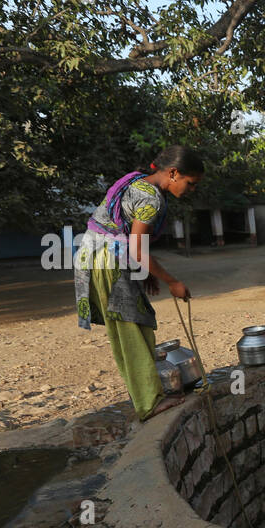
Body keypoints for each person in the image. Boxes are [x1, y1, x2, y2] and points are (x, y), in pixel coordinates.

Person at [74, 144, 201, 421]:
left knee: (132, 327)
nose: (190, 191)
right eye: (190, 184)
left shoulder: (134, 180)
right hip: (109, 260)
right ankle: (147, 402)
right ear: (174, 173)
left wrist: (146, 273)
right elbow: (137, 249)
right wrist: (172, 281)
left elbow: (126, 233)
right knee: (131, 328)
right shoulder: (151, 199)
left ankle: (146, 395)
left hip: (98, 255)